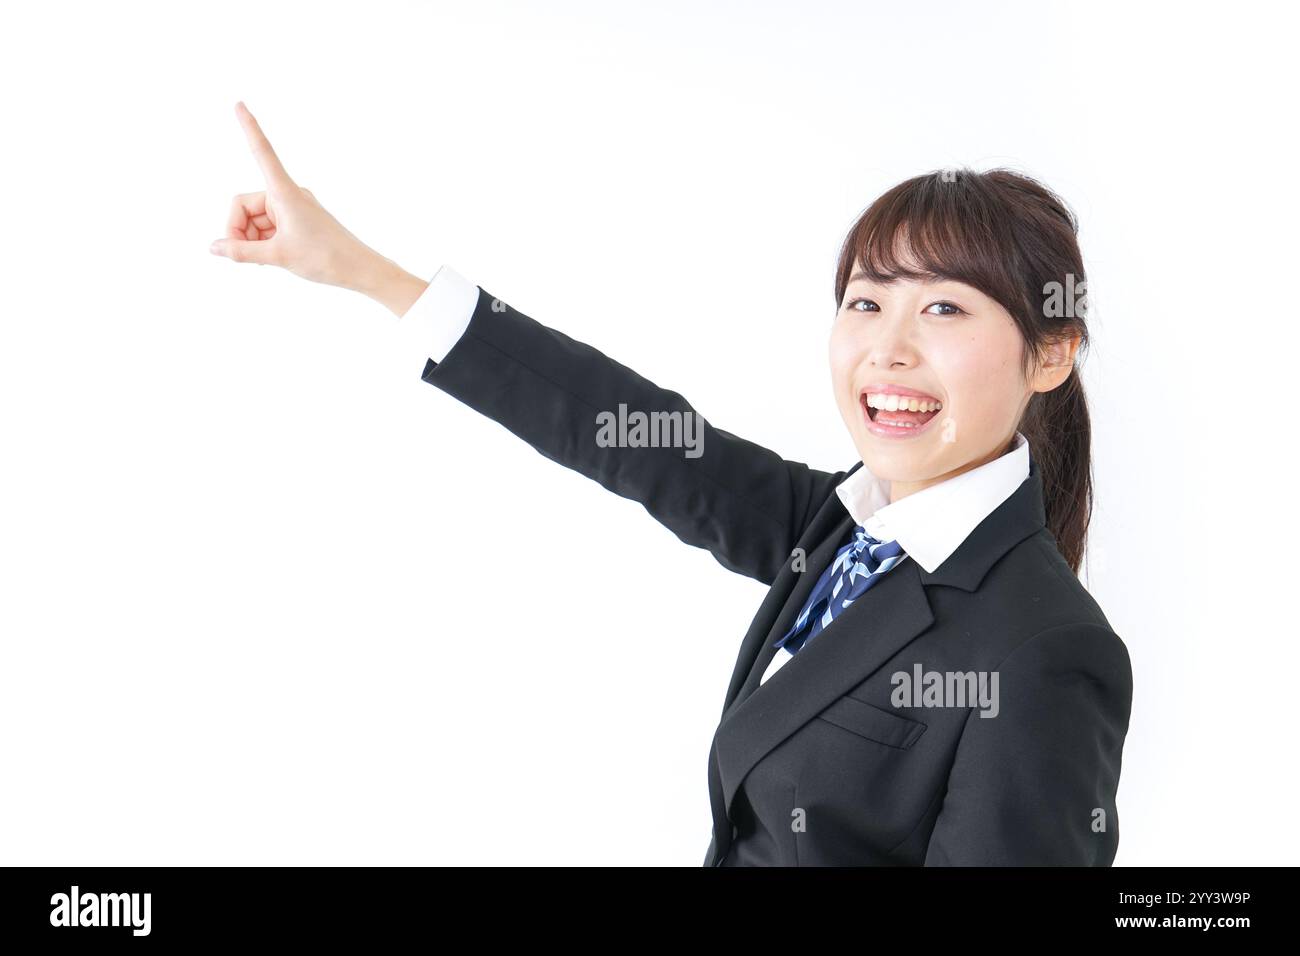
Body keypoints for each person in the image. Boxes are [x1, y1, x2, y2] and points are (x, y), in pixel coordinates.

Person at [212, 101, 1133, 866]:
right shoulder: (844, 527)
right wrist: (365, 273)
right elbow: (636, 436)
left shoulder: (1043, 655)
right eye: (867, 301)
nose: (888, 348)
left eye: (943, 307)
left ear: (1050, 353)